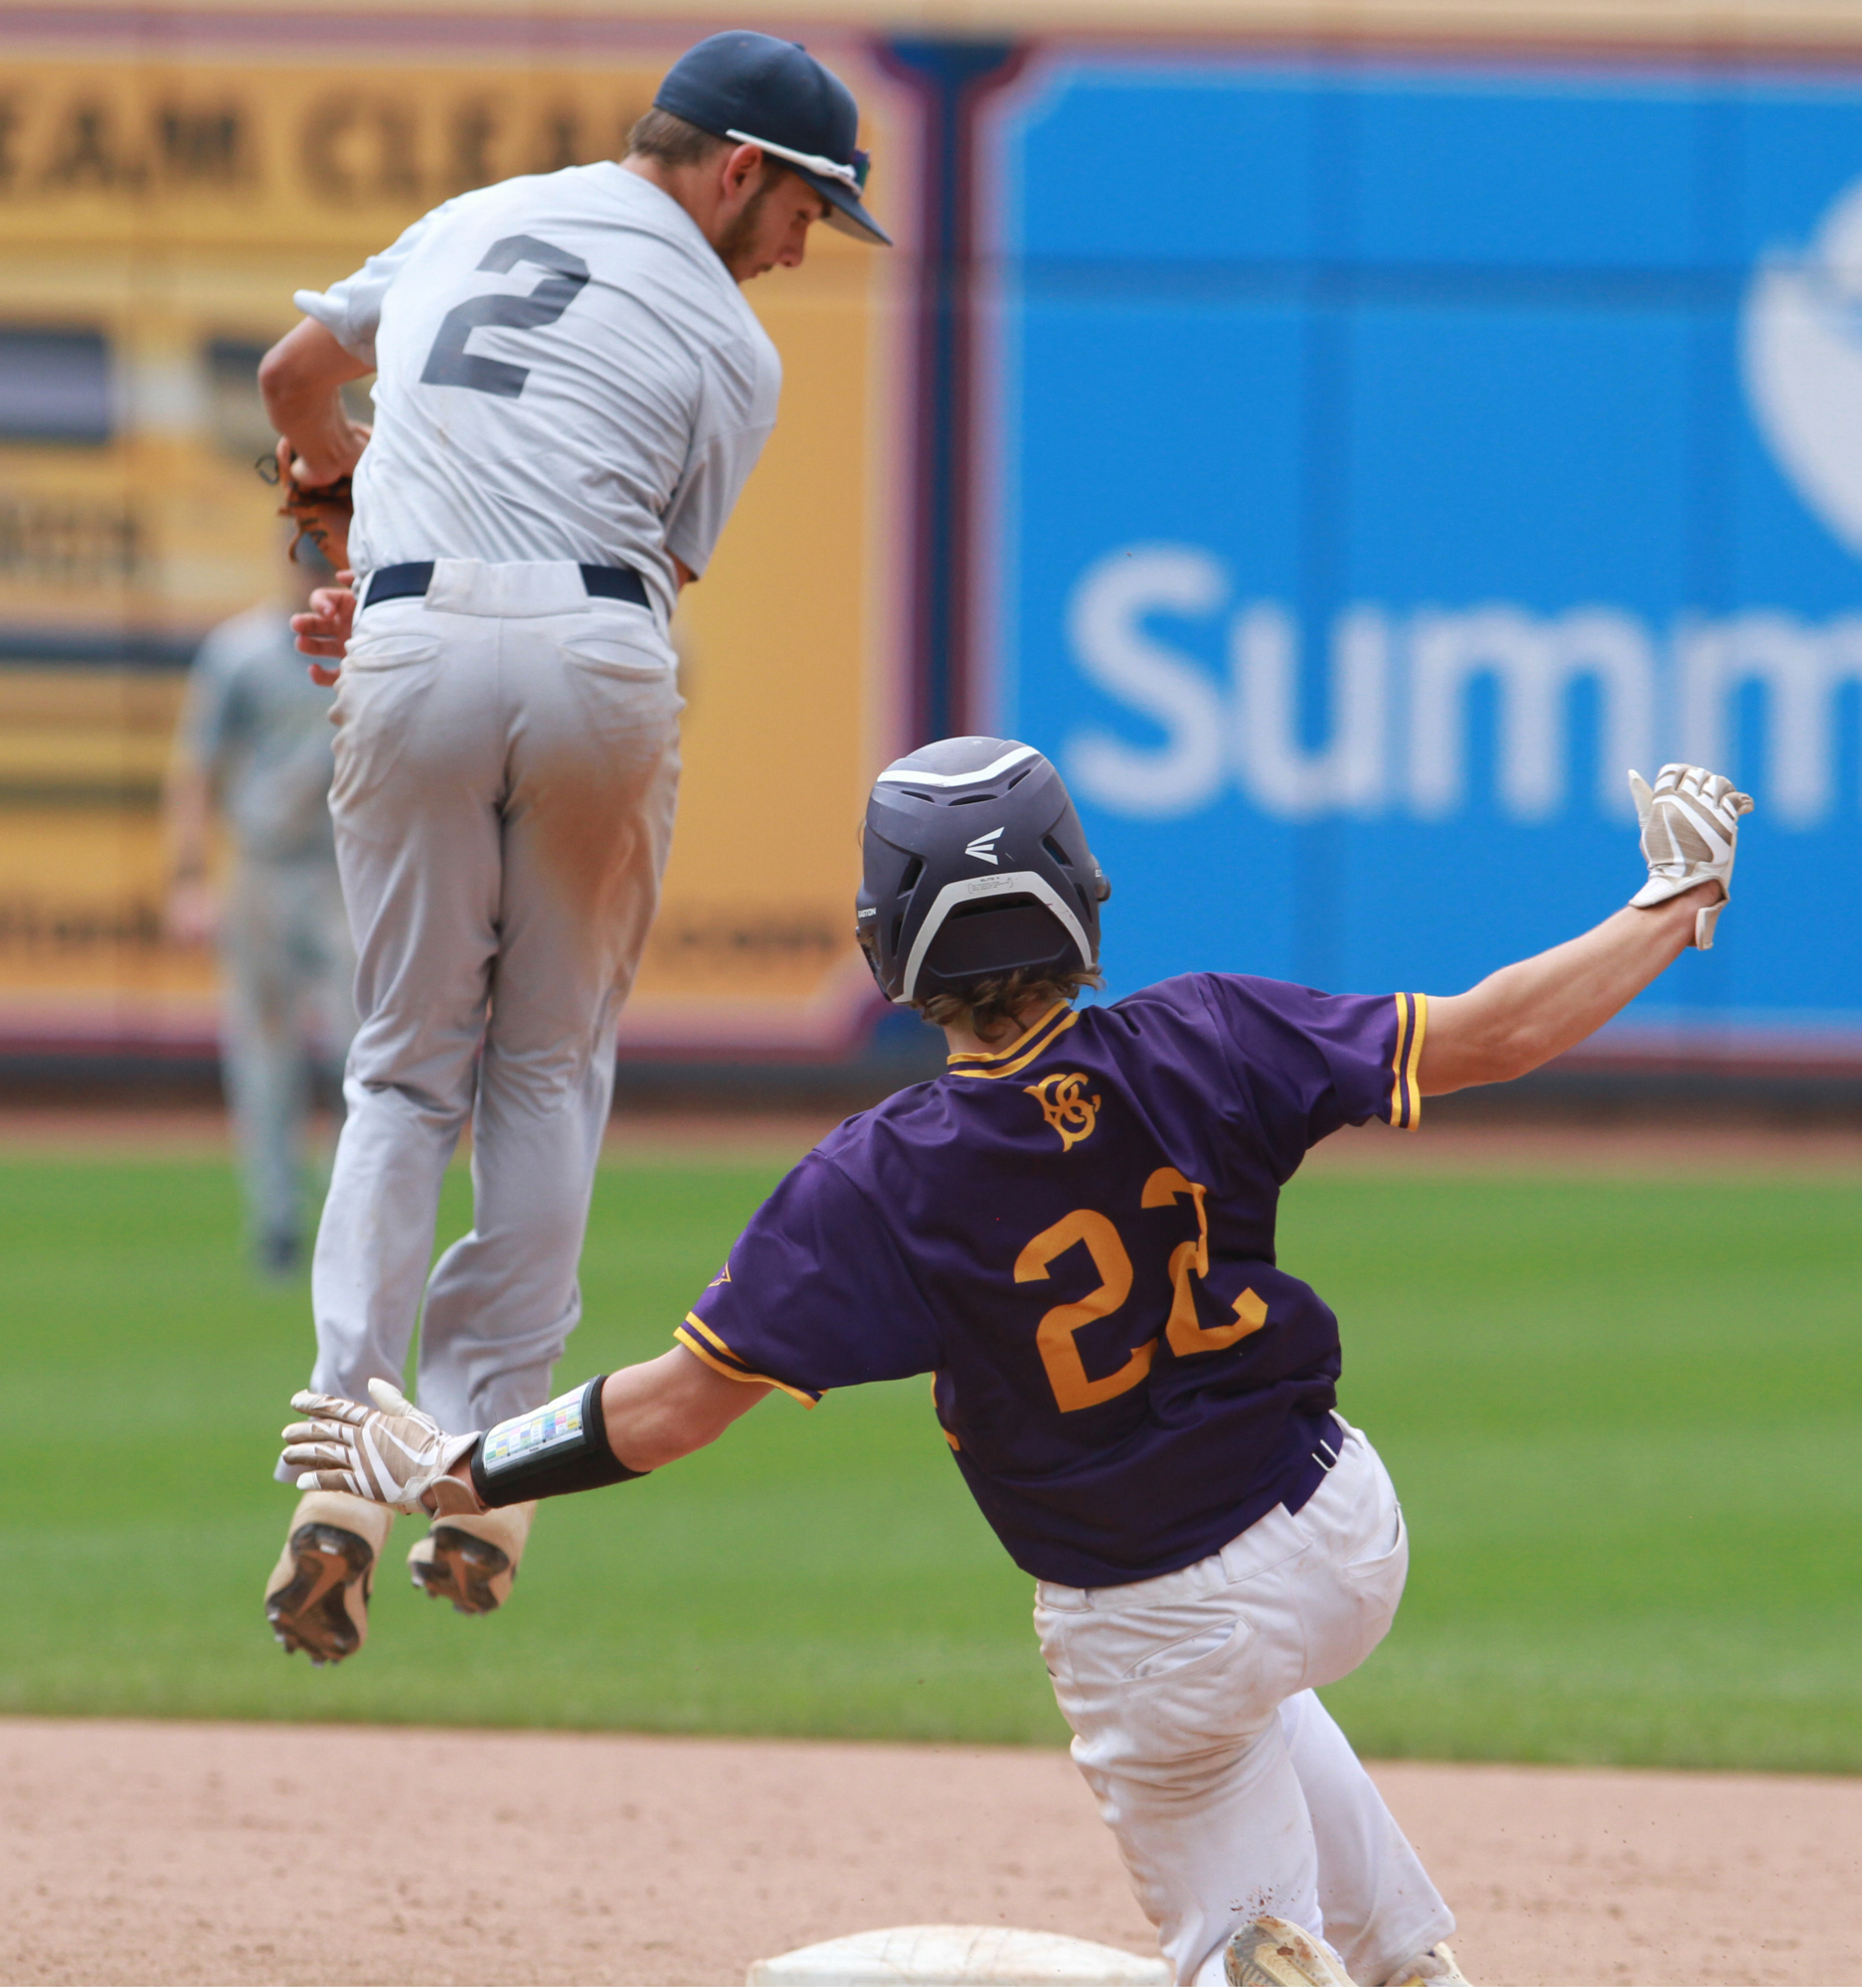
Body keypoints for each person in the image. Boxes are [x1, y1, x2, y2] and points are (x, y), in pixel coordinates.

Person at [276, 744, 1754, 1986]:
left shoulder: (875, 1181)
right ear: (1079, 897)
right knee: (1293, 1762)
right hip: (1339, 1539)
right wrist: (1669, 898)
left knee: (1234, 1891)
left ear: (889, 944)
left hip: (1151, 1628)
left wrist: (463, 1468)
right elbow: (1491, 1036)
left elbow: (674, 1409)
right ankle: (1388, 1962)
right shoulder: (1208, 1036)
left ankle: (1246, 1957)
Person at [254, 31, 891, 1662]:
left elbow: (289, 381)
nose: (803, 245)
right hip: (597, 655)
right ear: (735, 168)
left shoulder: (469, 219)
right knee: (542, 1068)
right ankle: (484, 1470)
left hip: (402, 644)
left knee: (403, 1073)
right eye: (806, 206)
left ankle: (340, 1459)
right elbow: (628, 570)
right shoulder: (735, 351)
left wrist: (336, 532)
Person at [165, 543, 357, 1277]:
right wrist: (189, 879)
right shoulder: (241, 651)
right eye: (305, 563)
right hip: (265, 865)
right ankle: (276, 1223)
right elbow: (196, 770)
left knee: (361, 1053)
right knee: (264, 1052)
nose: (313, 575)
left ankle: (351, 1217)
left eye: (325, 563)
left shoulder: (373, 644)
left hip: (351, 871)